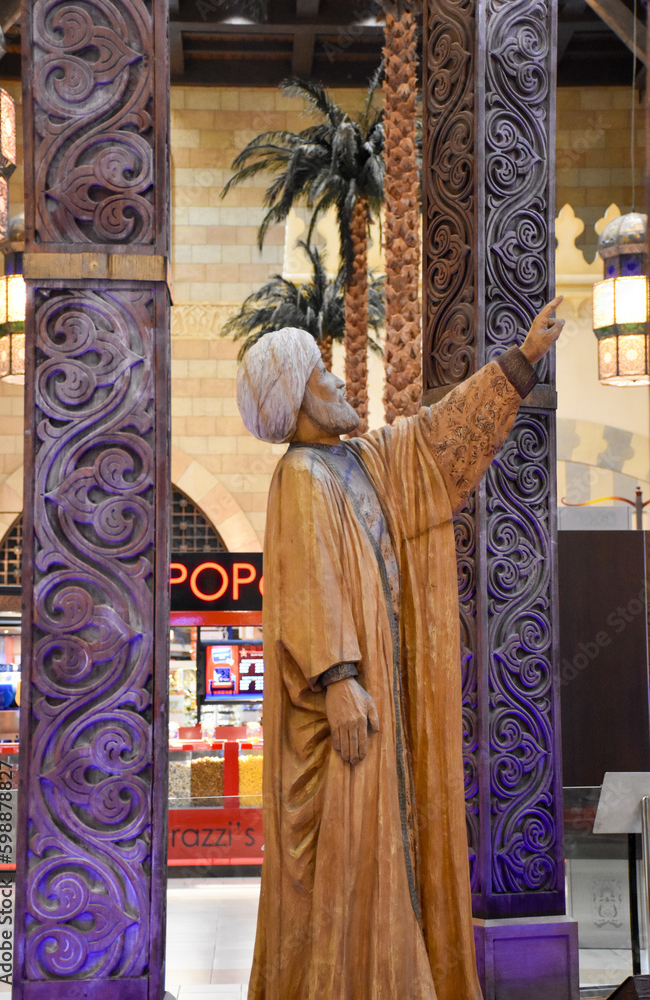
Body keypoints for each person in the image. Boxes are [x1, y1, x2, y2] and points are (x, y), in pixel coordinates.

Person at [236, 299, 564, 1000]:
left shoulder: (360, 463)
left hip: (372, 698)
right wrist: (337, 678)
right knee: (351, 854)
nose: (341, 383)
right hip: (345, 709)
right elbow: (305, 583)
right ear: (295, 400)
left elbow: (435, 439)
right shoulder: (300, 476)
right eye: (324, 374)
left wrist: (522, 359)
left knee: (385, 848)